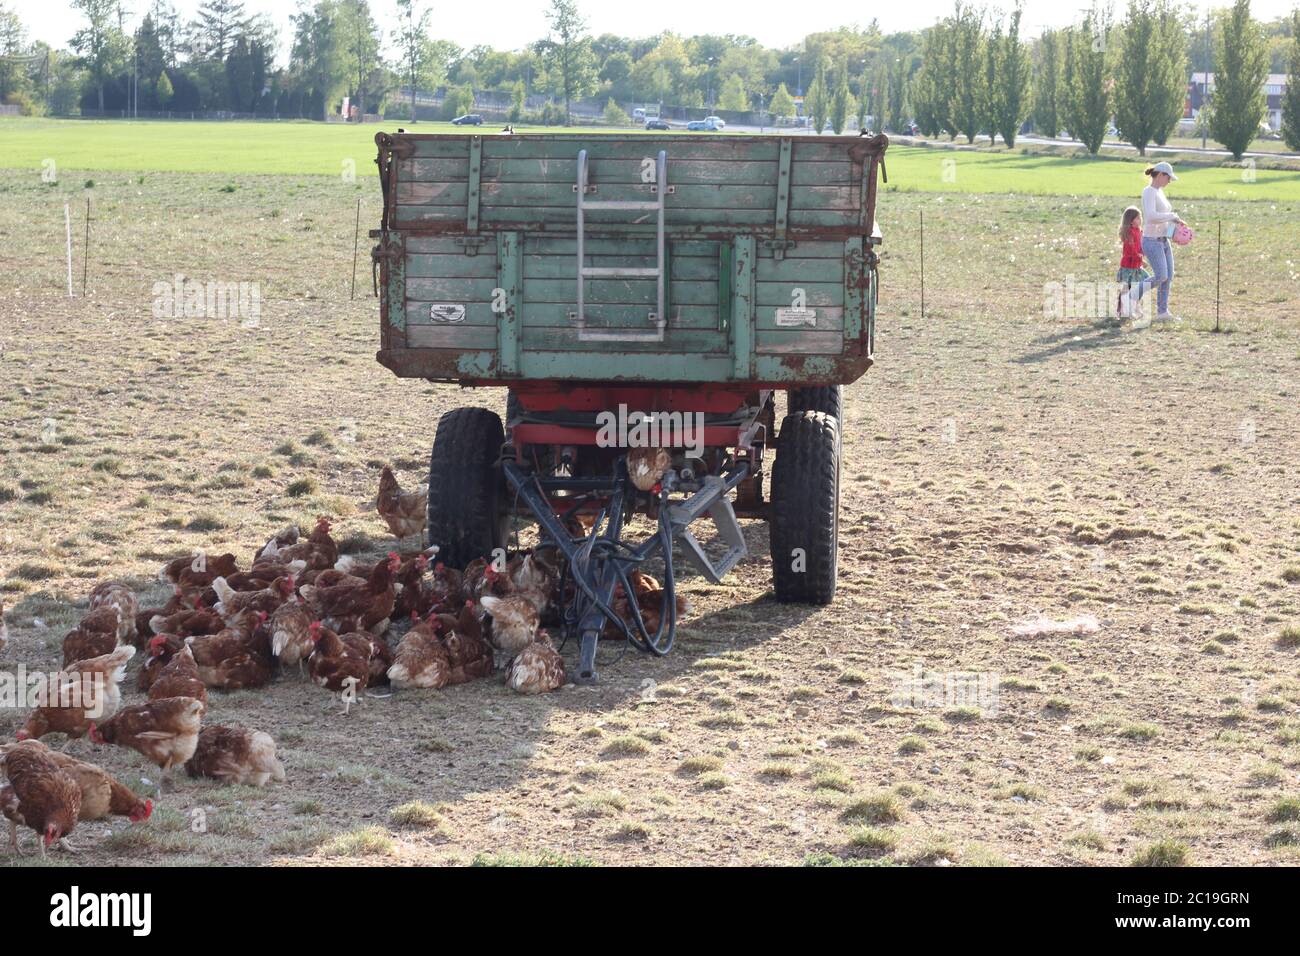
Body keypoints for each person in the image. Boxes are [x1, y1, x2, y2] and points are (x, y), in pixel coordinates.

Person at [1138, 161, 1184, 323]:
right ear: (1160, 175)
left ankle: (1162, 312)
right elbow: (1151, 216)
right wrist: (1171, 216)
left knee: (1168, 276)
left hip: (1163, 240)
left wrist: (1174, 229)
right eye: (1168, 178)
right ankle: (1131, 296)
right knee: (1161, 276)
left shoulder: (1159, 192)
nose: (1169, 181)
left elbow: (1163, 217)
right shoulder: (1149, 191)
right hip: (1151, 240)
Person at [1115, 206, 1151, 320]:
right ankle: (1123, 310)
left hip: (1136, 266)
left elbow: (1140, 246)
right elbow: (1131, 250)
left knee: (1144, 282)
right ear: (1130, 220)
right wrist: (1141, 260)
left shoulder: (1139, 231)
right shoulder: (1129, 233)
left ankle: (1134, 306)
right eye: (1137, 218)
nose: (1140, 220)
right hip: (1128, 266)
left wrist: (1144, 253)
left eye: (1140, 217)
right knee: (1127, 288)